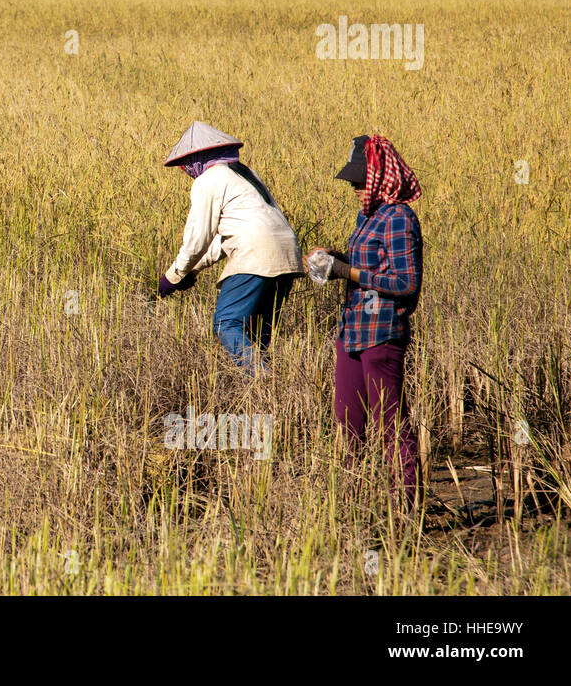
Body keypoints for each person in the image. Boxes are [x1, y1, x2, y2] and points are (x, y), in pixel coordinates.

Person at [306, 134, 424, 509]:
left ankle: (405, 509)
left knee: (391, 425)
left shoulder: (399, 217)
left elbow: (406, 283)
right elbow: (364, 266)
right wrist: (332, 258)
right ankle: (348, 507)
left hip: (382, 335)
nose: (356, 188)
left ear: (381, 176)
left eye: (361, 180)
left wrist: (348, 272)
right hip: (351, 332)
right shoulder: (367, 215)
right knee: (346, 425)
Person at [157, 121, 305, 371]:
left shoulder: (208, 180)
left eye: (185, 165)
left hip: (256, 254)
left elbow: (198, 239)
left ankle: (262, 380)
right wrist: (192, 271)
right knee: (258, 333)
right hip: (287, 254)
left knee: (227, 323)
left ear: (197, 158)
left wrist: (173, 276)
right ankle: (267, 390)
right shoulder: (244, 174)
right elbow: (226, 238)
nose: (185, 171)